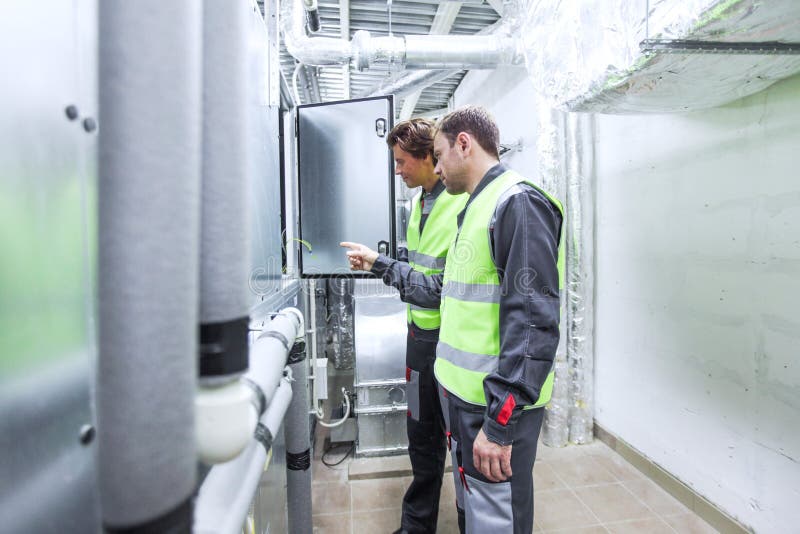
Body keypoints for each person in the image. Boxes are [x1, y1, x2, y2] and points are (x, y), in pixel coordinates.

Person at [341, 106, 563, 534]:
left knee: (495, 513)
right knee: (474, 505)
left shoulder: (517, 203)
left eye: (439, 156)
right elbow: (451, 293)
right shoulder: (474, 207)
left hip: (491, 400)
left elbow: (533, 323)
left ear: (463, 144)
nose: (439, 168)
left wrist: (499, 425)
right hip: (459, 387)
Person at [343, 118, 467, 534]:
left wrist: (380, 264)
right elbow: (417, 264)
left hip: (450, 344)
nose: (397, 171)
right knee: (420, 436)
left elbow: (437, 290)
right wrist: (381, 261)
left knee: (460, 446)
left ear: (428, 157)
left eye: (401, 162)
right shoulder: (420, 203)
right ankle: (416, 527)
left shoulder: (460, 203)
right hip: (418, 341)